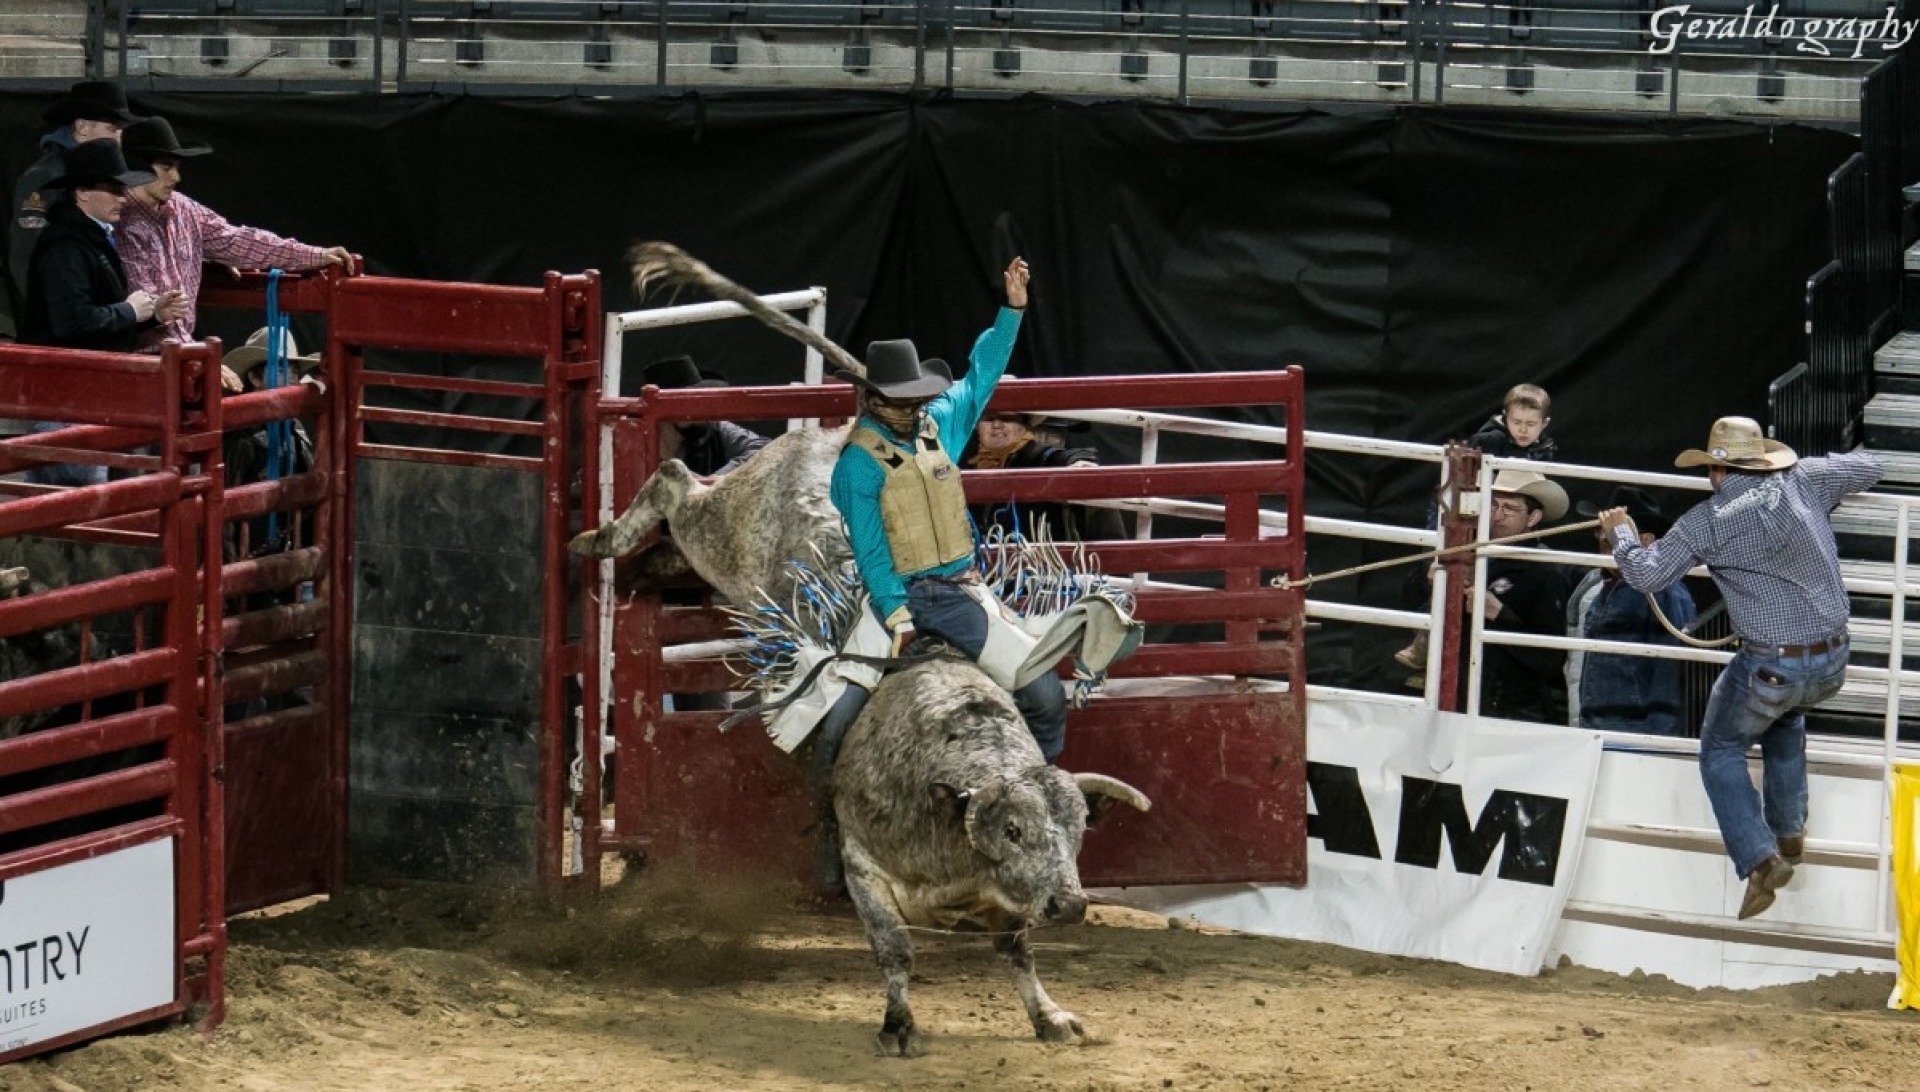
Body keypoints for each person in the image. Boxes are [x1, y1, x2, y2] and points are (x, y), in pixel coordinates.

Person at [809, 257, 1055, 891]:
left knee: (1047, 695)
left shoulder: (939, 422)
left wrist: (1012, 311)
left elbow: (983, 373)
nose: (913, 406)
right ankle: (831, 836)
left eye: (916, 396)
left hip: (963, 589)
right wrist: (897, 614)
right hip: (902, 594)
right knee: (834, 722)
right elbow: (871, 550)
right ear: (873, 399)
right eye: (903, 398)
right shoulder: (857, 465)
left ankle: (1036, 810)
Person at [1601, 416, 1880, 920]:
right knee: (1786, 716)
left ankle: (1760, 858)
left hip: (1772, 665)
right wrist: (1833, 464)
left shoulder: (1705, 520)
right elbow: (1869, 466)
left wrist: (1620, 535)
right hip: (1833, 658)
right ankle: (1789, 832)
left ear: (1716, 470)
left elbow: (1647, 574)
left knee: (1721, 749)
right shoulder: (1804, 478)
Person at [115, 116, 352, 388]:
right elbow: (151, 307)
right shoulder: (119, 220)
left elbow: (237, 240)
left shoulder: (184, 210)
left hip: (177, 356)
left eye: (176, 168)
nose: (176, 177)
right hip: (136, 362)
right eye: (166, 168)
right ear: (139, 168)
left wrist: (313, 255)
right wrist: (199, 359)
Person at [19, 140, 187, 485]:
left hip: (78, 392)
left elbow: (86, 317)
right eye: (112, 189)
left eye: (122, 189)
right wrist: (130, 312)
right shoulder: (67, 246)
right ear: (81, 193)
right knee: (77, 495)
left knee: (81, 496)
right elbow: (72, 323)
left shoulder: (86, 239)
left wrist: (152, 315)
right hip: (67, 396)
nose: (122, 198)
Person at [1398, 382, 1561, 671]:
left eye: (1530, 424)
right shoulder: (1488, 442)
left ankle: (1444, 653)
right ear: (1505, 417)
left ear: (1544, 424)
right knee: (1451, 573)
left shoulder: (1544, 450)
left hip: (1498, 524)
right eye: (1517, 422)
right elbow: (1454, 488)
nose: (1523, 430)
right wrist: (1443, 534)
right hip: (1465, 516)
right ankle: (1426, 642)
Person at [5, 80, 141, 342]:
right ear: (81, 127)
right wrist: (40, 319)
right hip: (61, 333)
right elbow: (25, 255)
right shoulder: (45, 176)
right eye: (112, 129)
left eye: (121, 131)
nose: (118, 139)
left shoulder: (67, 171)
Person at [1566, 487, 1695, 735]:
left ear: (1646, 540)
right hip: (1602, 724)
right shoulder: (1606, 587)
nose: (1602, 539)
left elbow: (1670, 673)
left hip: (1634, 730)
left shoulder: (1663, 591)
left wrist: (1661, 741)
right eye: (1602, 532)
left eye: (1611, 534)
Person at [1475, 468, 1575, 725]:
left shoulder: (1544, 572)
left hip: (1513, 706)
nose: (1497, 515)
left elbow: (1550, 658)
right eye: (1493, 505)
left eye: (1509, 508)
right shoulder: (1471, 553)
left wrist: (1500, 615)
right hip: (1480, 697)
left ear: (1533, 517)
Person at [960, 410, 1125, 542]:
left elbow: (1063, 457)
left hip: (1036, 567)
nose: (997, 425)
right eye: (988, 418)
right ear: (977, 425)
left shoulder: (1039, 457)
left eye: (1007, 418)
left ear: (1025, 425)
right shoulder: (962, 463)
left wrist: (1078, 463)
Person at [640, 354, 768, 475]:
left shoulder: (715, 428)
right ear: (667, 410)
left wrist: (716, 479)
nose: (701, 412)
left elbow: (763, 448)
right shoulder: (635, 442)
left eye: (700, 402)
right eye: (691, 404)